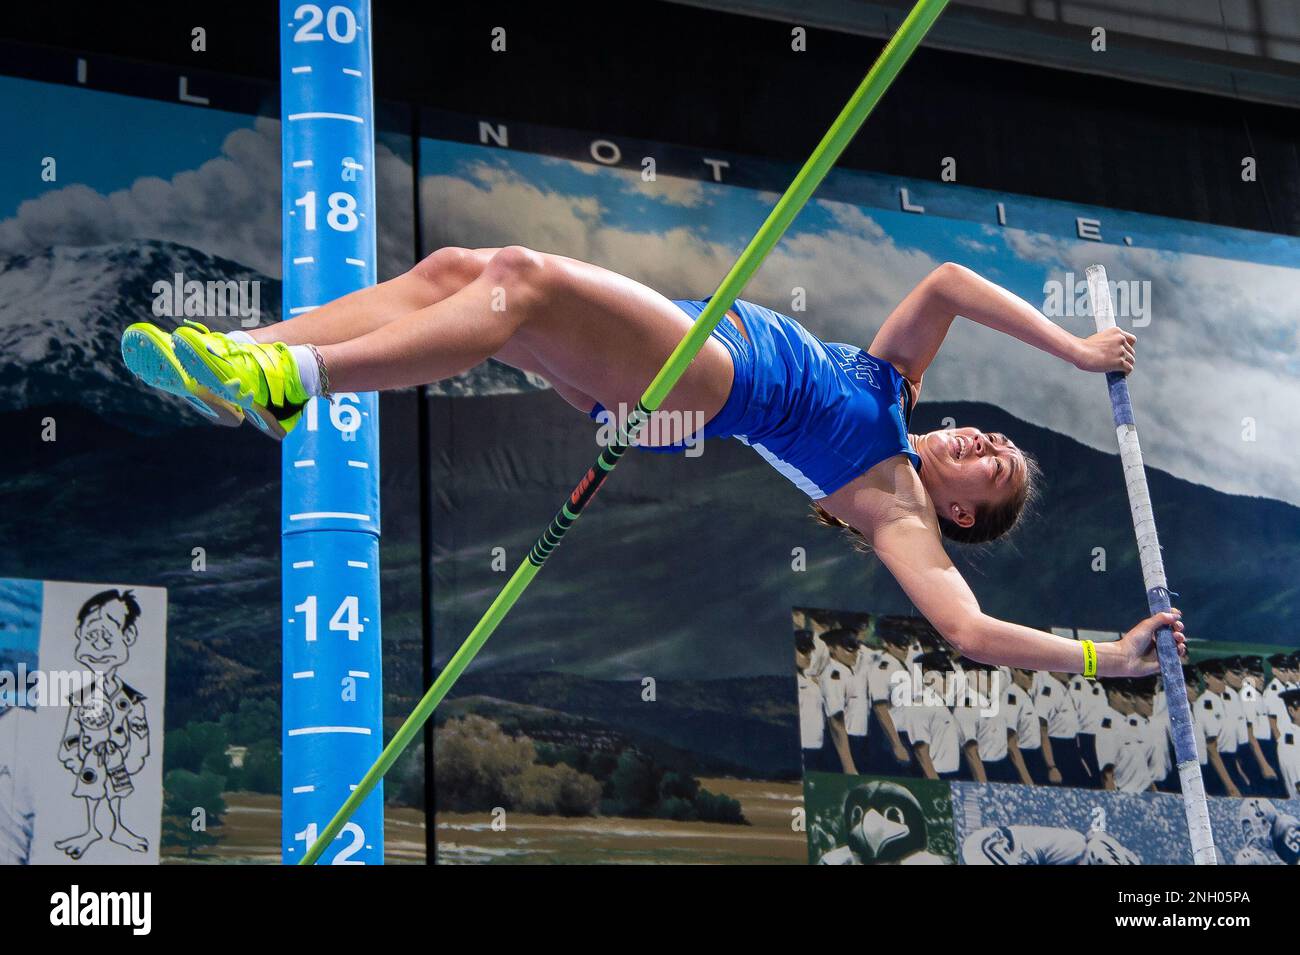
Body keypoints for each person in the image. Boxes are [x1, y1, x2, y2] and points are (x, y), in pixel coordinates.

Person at [122, 251, 1184, 677]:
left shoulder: (891, 506)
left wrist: (1102, 659)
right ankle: (247, 357)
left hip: (694, 377)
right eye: (995, 440)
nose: (985, 444)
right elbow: (950, 281)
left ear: (958, 515)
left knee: (521, 282)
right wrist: (1072, 348)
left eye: (990, 473)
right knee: (467, 273)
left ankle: (299, 374)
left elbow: (966, 631)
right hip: (664, 340)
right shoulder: (893, 390)